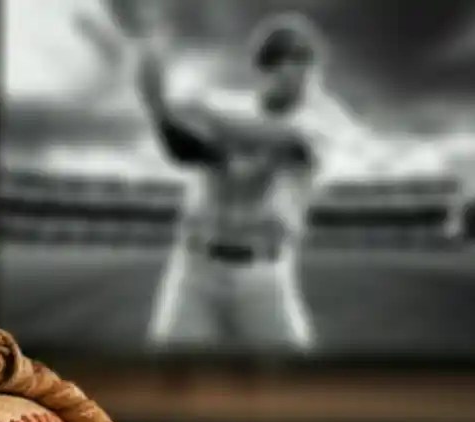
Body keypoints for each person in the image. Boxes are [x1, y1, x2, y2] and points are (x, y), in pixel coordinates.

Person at [109, 5, 324, 352]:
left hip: (264, 278)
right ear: (262, 71)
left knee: (295, 393)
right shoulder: (230, 108)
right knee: (169, 388)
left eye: (302, 62)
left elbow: (270, 139)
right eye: (280, 61)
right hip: (196, 271)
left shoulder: (318, 126)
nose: (292, 72)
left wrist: (193, 112)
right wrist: (157, 108)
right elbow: (191, 152)